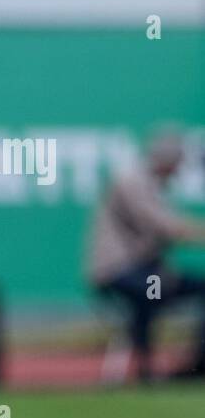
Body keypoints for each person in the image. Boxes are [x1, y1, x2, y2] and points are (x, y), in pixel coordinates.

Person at [87, 131, 205, 380]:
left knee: (163, 289)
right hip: (117, 271)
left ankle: (196, 363)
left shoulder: (153, 186)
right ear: (166, 161)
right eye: (177, 163)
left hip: (145, 271)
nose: (179, 170)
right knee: (150, 293)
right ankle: (146, 368)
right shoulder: (132, 182)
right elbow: (163, 226)